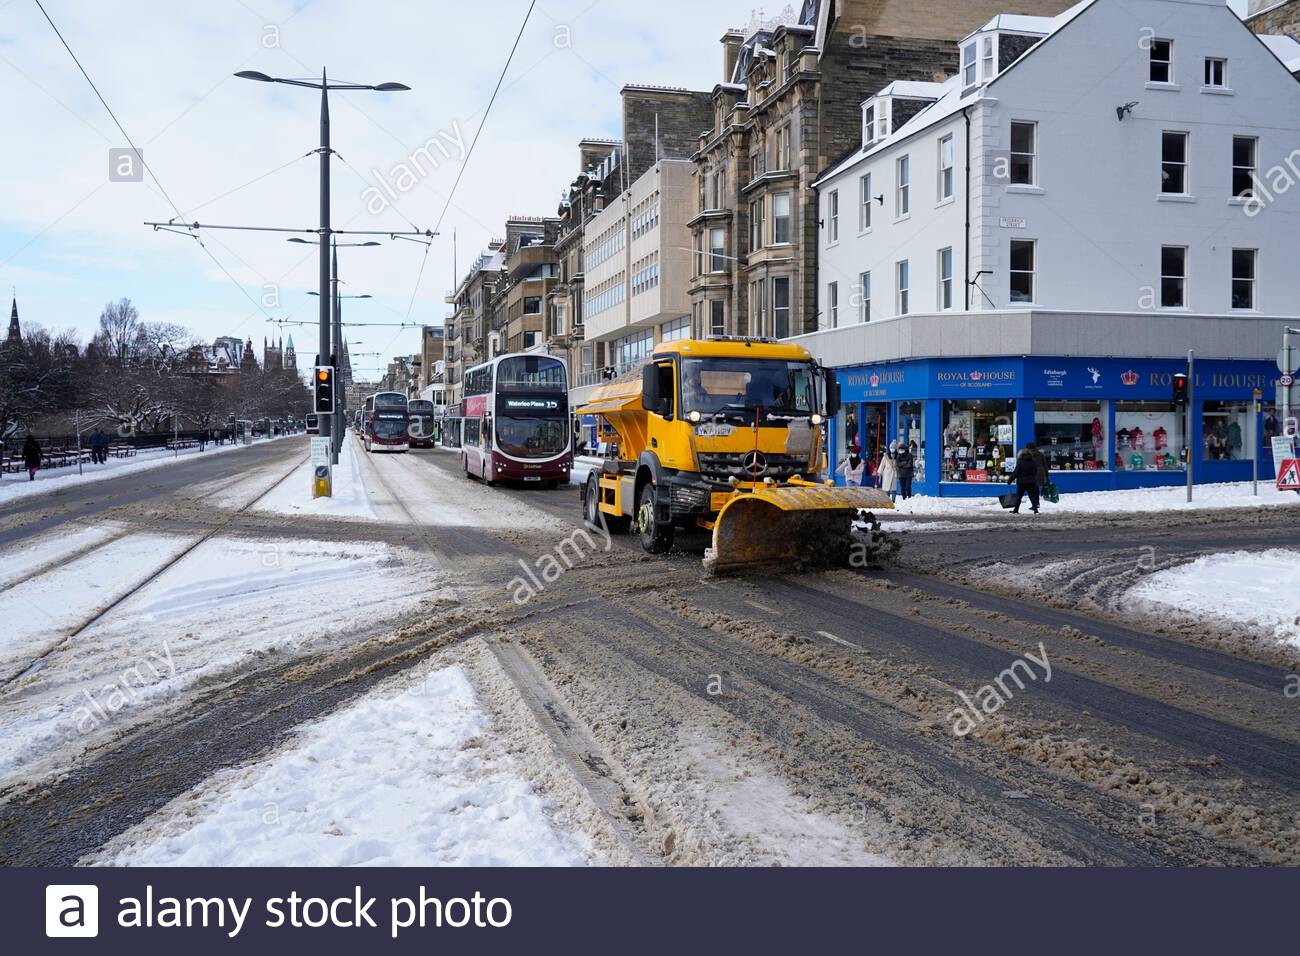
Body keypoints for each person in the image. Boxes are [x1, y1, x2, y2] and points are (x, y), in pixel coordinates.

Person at [1008, 448, 1040, 514]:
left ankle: (1016, 510)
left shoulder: (1020, 462)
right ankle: (1036, 510)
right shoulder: (1033, 461)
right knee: (1032, 496)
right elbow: (1035, 471)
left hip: (1022, 482)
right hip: (1031, 482)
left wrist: (1010, 480)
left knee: (1019, 496)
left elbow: (1016, 472)